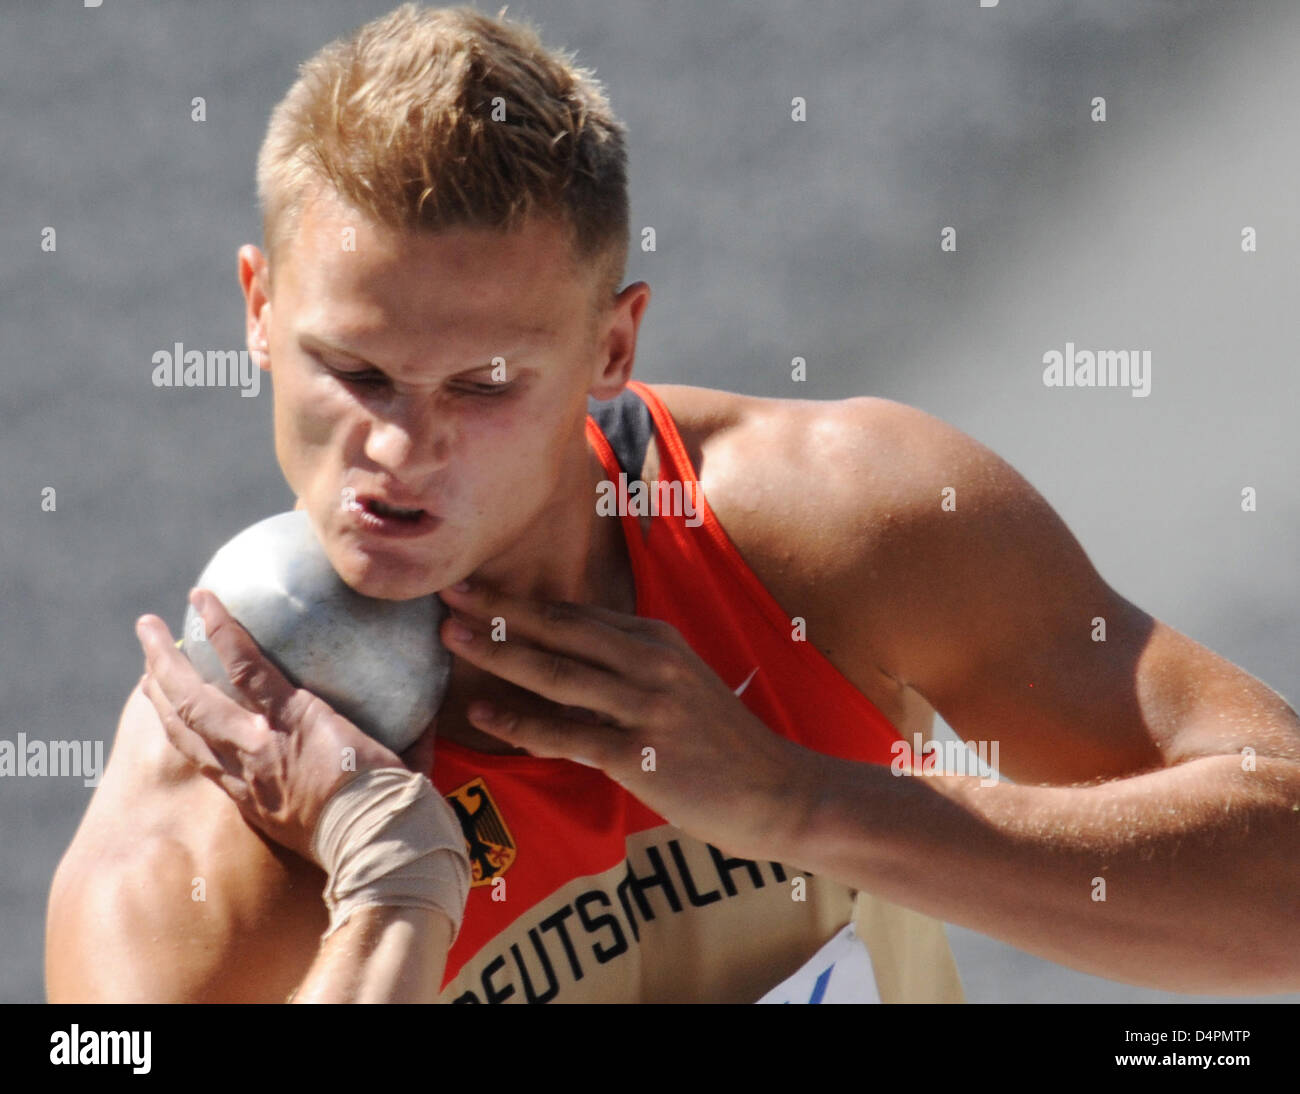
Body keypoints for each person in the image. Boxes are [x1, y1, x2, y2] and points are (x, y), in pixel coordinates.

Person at [45, 3, 1300, 1004]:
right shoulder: (216, 818)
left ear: (611, 345)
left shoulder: (828, 531)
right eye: (354, 370)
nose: (398, 446)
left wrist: (803, 799)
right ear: (258, 310)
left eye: (483, 384)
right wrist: (387, 902)